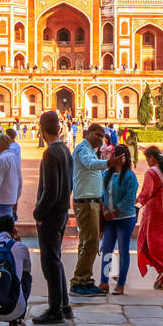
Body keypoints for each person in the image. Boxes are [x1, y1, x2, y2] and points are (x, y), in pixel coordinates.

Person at [32, 109, 74, 323]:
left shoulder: (50, 153)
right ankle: (64, 305)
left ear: (41, 129)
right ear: (59, 127)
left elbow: (51, 190)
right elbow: (68, 186)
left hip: (50, 215)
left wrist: (38, 213)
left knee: (49, 262)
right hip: (62, 212)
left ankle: (55, 310)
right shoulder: (65, 149)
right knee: (56, 260)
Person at [70, 122, 112, 295]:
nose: (101, 140)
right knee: (92, 243)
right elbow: (89, 164)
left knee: (87, 242)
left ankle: (85, 280)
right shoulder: (82, 150)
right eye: (98, 135)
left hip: (90, 201)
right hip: (86, 202)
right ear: (88, 133)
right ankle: (79, 281)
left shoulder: (90, 150)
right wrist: (109, 163)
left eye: (102, 137)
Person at [135, 147, 163, 291]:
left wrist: (134, 204)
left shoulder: (151, 173)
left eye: (147, 158)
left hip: (154, 213)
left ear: (152, 158)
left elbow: (146, 193)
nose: (147, 162)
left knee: (146, 244)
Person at [97, 145, 138, 294]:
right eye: (114, 155)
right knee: (107, 249)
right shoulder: (106, 174)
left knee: (123, 250)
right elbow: (101, 194)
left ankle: (120, 283)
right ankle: (104, 281)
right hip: (109, 219)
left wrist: (115, 211)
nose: (116, 158)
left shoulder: (129, 176)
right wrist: (104, 209)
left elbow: (130, 197)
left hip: (125, 218)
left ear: (125, 158)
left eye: (120, 156)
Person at [0, 132, 23, 235]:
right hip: (11, 198)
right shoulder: (14, 157)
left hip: (3, 199)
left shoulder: (2, 159)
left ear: (3, 144)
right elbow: (20, 179)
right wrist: (16, 197)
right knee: (6, 225)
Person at [5, 126, 22, 220]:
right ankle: (13, 213)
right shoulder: (15, 146)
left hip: (13, 173)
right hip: (14, 173)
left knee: (12, 194)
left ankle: (13, 214)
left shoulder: (12, 147)